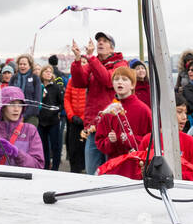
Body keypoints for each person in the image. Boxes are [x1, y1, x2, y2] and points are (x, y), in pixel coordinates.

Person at [70, 32, 126, 175]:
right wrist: (77, 60)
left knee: (112, 171)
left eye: (104, 41)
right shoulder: (94, 62)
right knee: (92, 172)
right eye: (99, 41)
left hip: (112, 125)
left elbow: (108, 80)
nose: (100, 43)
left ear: (112, 48)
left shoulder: (120, 64)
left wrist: (91, 58)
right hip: (93, 125)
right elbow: (79, 82)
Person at [94, 66, 152, 163]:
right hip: (114, 165)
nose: (119, 82)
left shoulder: (143, 110)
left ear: (133, 85)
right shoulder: (109, 111)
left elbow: (151, 141)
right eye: (116, 79)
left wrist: (126, 138)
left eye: (124, 79)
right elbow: (100, 141)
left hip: (137, 165)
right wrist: (110, 141)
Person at [0, 87, 45, 169]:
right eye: (12, 104)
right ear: (2, 107)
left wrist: (18, 154)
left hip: (22, 180)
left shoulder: (30, 130)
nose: (17, 109)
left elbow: (38, 165)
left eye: (20, 105)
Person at [37, 64, 64, 170]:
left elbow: (62, 103)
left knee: (55, 146)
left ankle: (55, 168)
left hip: (53, 121)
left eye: (50, 71)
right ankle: (45, 166)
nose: (48, 73)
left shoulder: (56, 87)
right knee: (44, 147)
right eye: (46, 71)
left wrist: (57, 109)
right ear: (42, 73)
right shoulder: (38, 86)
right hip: (41, 121)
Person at [63, 75, 88, 175]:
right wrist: (71, 115)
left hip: (86, 121)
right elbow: (67, 99)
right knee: (72, 147)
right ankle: (74, 171)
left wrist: (83, 117)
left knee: (84, 147)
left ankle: (84, 169)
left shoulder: (90, 80)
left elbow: (91, 101)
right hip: (73, 120)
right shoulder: (71, 81)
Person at [11, 54, 42, 127]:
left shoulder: (35, 79)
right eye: (20, 64)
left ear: (30, 65)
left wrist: (24, 116)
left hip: (31, 116)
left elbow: (36, 101)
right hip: (14, 114)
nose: (22, 66)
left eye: (24, 64)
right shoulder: (14, 78)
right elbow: (9, 97)